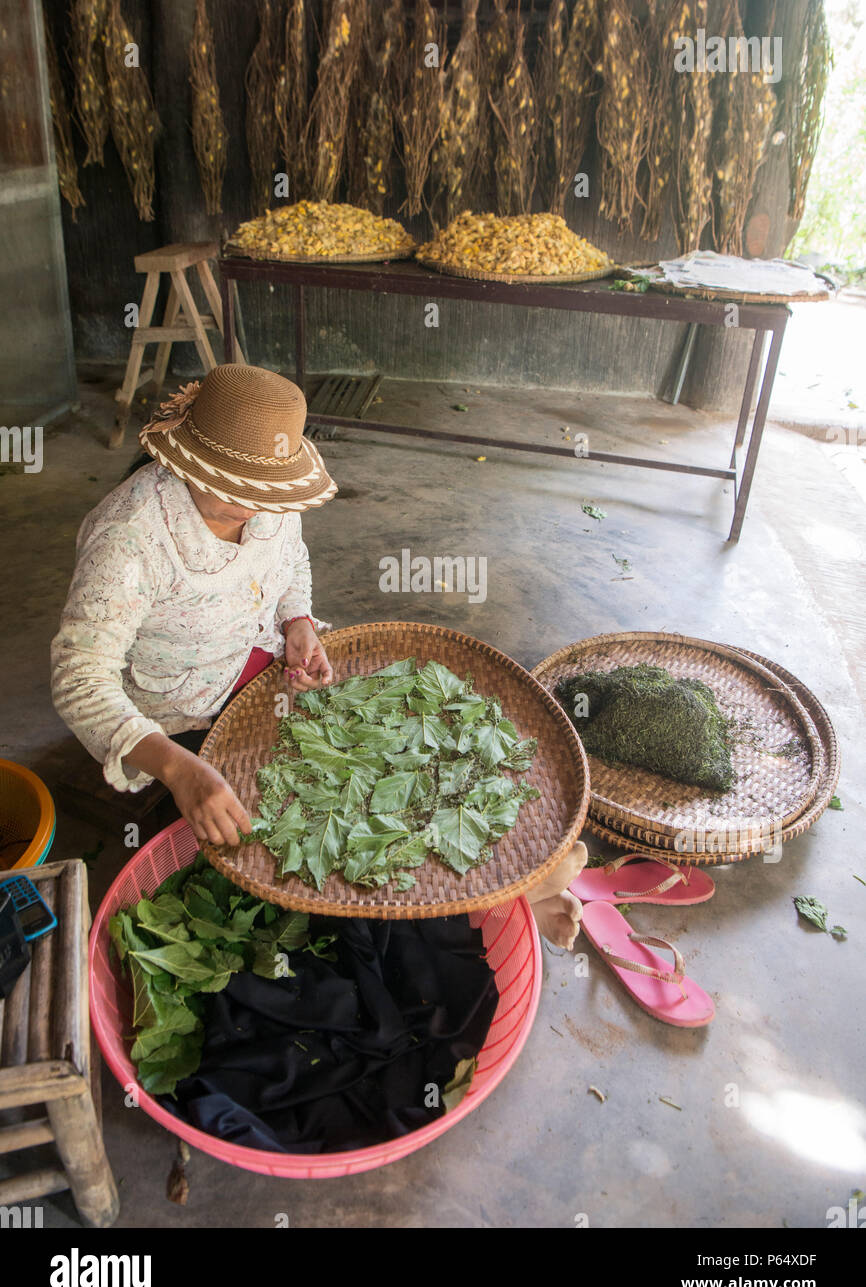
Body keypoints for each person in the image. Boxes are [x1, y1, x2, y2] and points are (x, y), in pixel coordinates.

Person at [51, 362, 583, 946]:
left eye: (263, 497)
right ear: (186, 464)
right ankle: (484, 905)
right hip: (176, 703)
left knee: (388, 748)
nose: (254, 510)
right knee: (285, 830)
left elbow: (290, 566)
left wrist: (297, 621)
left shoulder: (269, 497)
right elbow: (80, 678)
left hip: (253, 653)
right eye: (234, 497)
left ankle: (496, 884)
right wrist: (179, 770)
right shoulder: (130, 541)